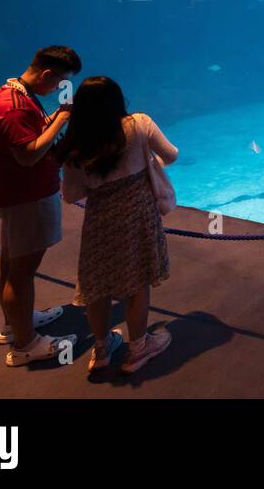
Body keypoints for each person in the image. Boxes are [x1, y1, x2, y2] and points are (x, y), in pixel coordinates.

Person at [57, 76, 176, 375]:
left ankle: (101, 350)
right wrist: (148, 166)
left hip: (99, 219)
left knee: (97, 285)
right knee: (136, 282)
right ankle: (138, 349)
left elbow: (71, 195)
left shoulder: (75, 145)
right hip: (138, 214)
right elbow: (171, 155)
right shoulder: (138, 125)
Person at [0, 45, 81, 366]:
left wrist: (58, 116)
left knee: (11, 263)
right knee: (22, 271)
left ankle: (16, 324)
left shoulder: (18, 93)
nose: (56, 89)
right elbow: (28, 155)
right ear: (47, 74)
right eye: (57, 83)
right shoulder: (12, 106)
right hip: (28, 198)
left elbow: (32, 135)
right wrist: (64, 117)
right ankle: (27, 345)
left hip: (18, 195)